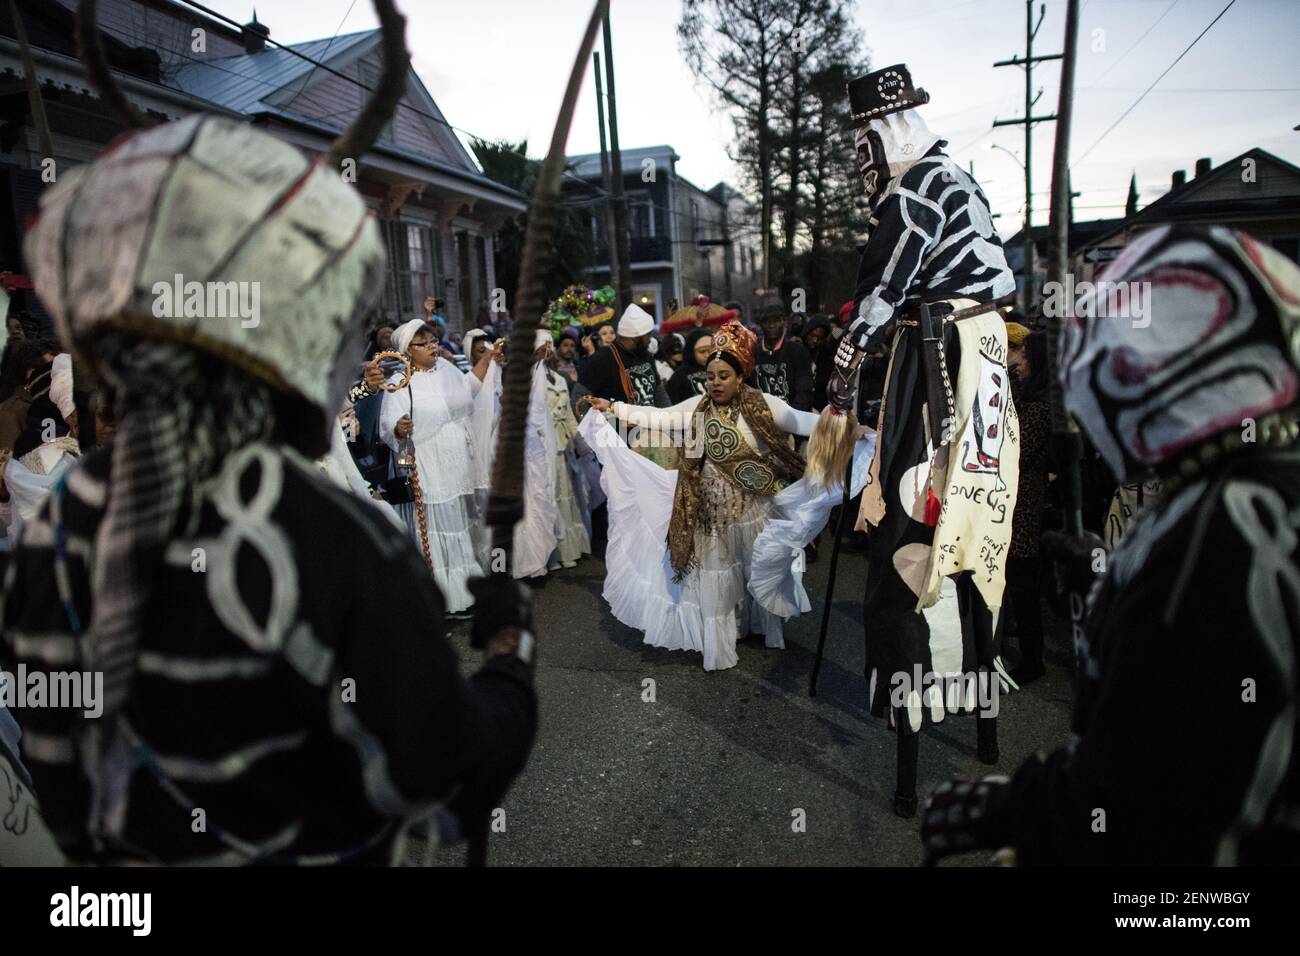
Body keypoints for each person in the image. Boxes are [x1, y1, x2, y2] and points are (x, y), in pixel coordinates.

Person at [1, 94, 536, 864]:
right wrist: (509, 657)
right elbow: (447, 790)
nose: (346, 360)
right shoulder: (329, 538)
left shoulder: (59, 522)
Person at [922, 225, 1300, 866]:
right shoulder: (1239, 485)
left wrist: (1008, 809)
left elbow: (1139, 774)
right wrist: (1111, 595)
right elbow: (1194, 666)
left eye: (1116, 360)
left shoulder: (1225, 524)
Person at [826, 64, 1018, 818]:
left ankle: (914, 724)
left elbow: (883, 291)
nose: (861, 165)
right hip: (982, 362)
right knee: (975, 524)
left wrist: (844, 371)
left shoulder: (913, 194)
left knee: (915, 529)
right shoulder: (960, 180)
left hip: (940, 360)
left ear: (886, 134)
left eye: (863, 146)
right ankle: (983, 719)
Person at [581, 321, 859, 671]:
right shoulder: (698, 408)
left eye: (723, 376)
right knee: (718, 579)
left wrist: (849, 425)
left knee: (754, 569)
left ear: (740, 376)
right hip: (711, 513)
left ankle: (759, 626)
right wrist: (614, 408)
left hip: (755, 509)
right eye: (711, 376)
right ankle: (723, 644)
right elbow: (660, 417)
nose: (715, 383)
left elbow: (807, 422)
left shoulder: (764, 405)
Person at [380, 319, 490, 613]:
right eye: (424, 343)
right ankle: (444, 599)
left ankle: (465, 591)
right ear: (408, 350)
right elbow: (388, 427)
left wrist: (490, 359)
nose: (432, 347)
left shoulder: (447, 370)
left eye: (433, 341)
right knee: (438, 528)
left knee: (459, 525)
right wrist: (399, 429)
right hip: (429, 466)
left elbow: (469, 391)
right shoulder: (399, 382)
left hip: (456, 466)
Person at [1003, 324, 1050, 684]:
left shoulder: (1039, 407)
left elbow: (1017, 453)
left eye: (1024, 357)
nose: (1018, 362)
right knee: (1015, 581)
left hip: (1023, 505)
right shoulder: (1026, 397)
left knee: (1022, 583)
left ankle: (1033, 658)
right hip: (1014, 501)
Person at [579, 304, 668, 409]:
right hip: (617, 419)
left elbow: (659, 394)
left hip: (649, 418)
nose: (650, 339)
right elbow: (579, 399)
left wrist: (668, 416)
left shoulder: (646, 355)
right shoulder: (603, 358)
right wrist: (598, 419)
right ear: (635, 338)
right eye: (647, 335)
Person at [753, 303, 814, 410]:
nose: (772, 325)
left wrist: (791, 416)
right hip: (761, 415)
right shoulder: (753, 353)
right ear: (760, 324)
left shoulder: (798, 351)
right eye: (766, 321)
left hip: (793, 415)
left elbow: (804, 391)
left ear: (784, 322)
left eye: (776, 320)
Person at [667, 328, 714, 404]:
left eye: (711, 350)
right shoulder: (679, 376)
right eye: (702, 351)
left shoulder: (721, 368)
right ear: (691, 352)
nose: (707, 355)